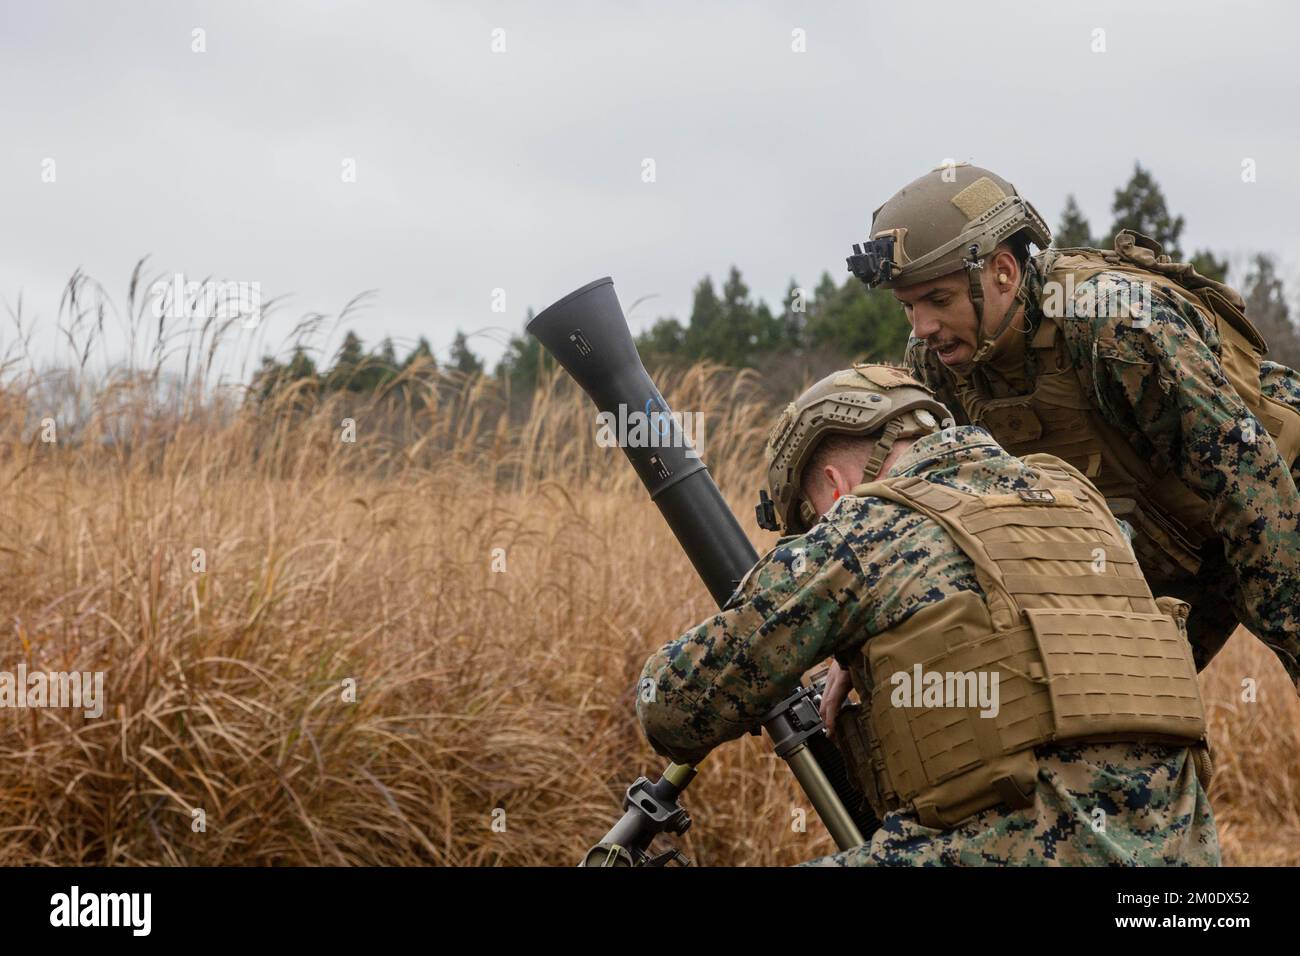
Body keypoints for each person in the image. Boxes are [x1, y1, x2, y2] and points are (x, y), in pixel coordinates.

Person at [636, 364, 1218, 865]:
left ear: (835, 488)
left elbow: (676, 710)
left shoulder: (861, 528)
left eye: (814, 516)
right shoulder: (1084, 505)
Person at [849, 163, 1300, 685]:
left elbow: (1253, 487)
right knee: (1107, 713)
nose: (923, 326)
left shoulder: (1115, 323)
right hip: (1174, 542)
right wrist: (866, 647)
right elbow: (930, 509)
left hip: (1277, 497)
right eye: (908, 306)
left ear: (1003, 271)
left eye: (938, 300)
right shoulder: (939, 360)